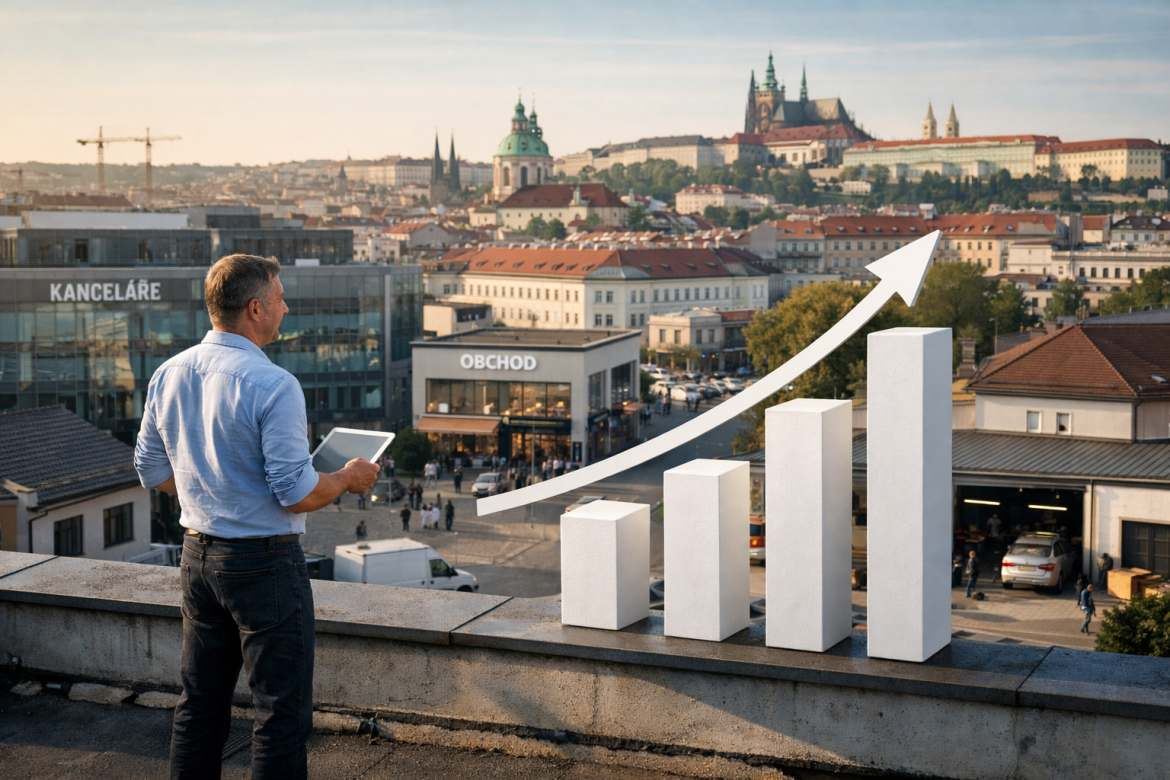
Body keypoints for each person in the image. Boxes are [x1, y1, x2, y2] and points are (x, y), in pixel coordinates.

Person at [133, 254, 379, 778]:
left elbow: (150, 467)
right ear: (255, 308)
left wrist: (209, 489)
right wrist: (347, 478)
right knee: (278, 712)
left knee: (199, 702)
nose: (286, 308)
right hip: (264, 564)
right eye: (281, 298)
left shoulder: (167, 371)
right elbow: (296, 493)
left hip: (197, 556)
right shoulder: (274, 384)